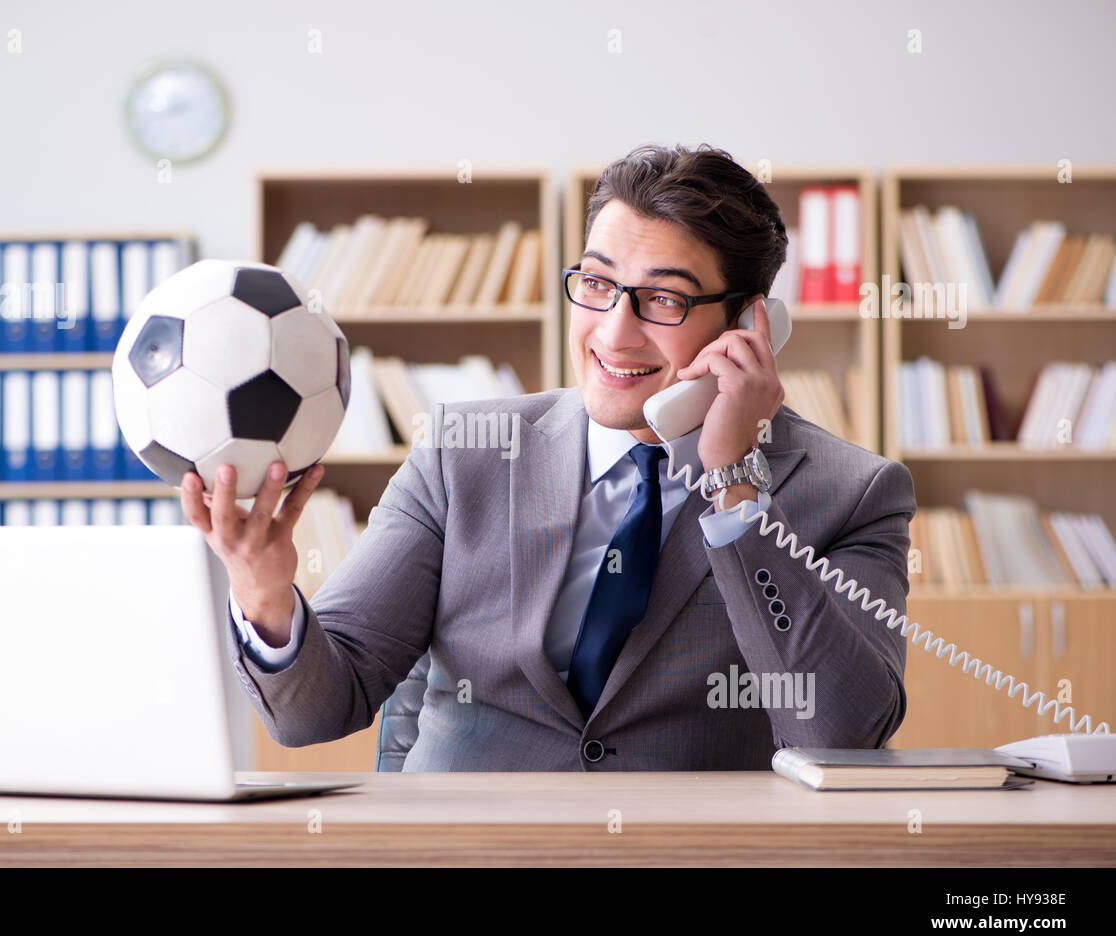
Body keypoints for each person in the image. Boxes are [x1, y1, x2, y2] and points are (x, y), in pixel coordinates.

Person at [181, 143, 917, 771]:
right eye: (597, 285)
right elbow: (317, 708)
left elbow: (841, 734)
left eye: (662, 299)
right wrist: (265, 594)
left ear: (752, 324)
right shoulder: (460, 456)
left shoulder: (851, 491)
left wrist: (735, 487)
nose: (613, 332)